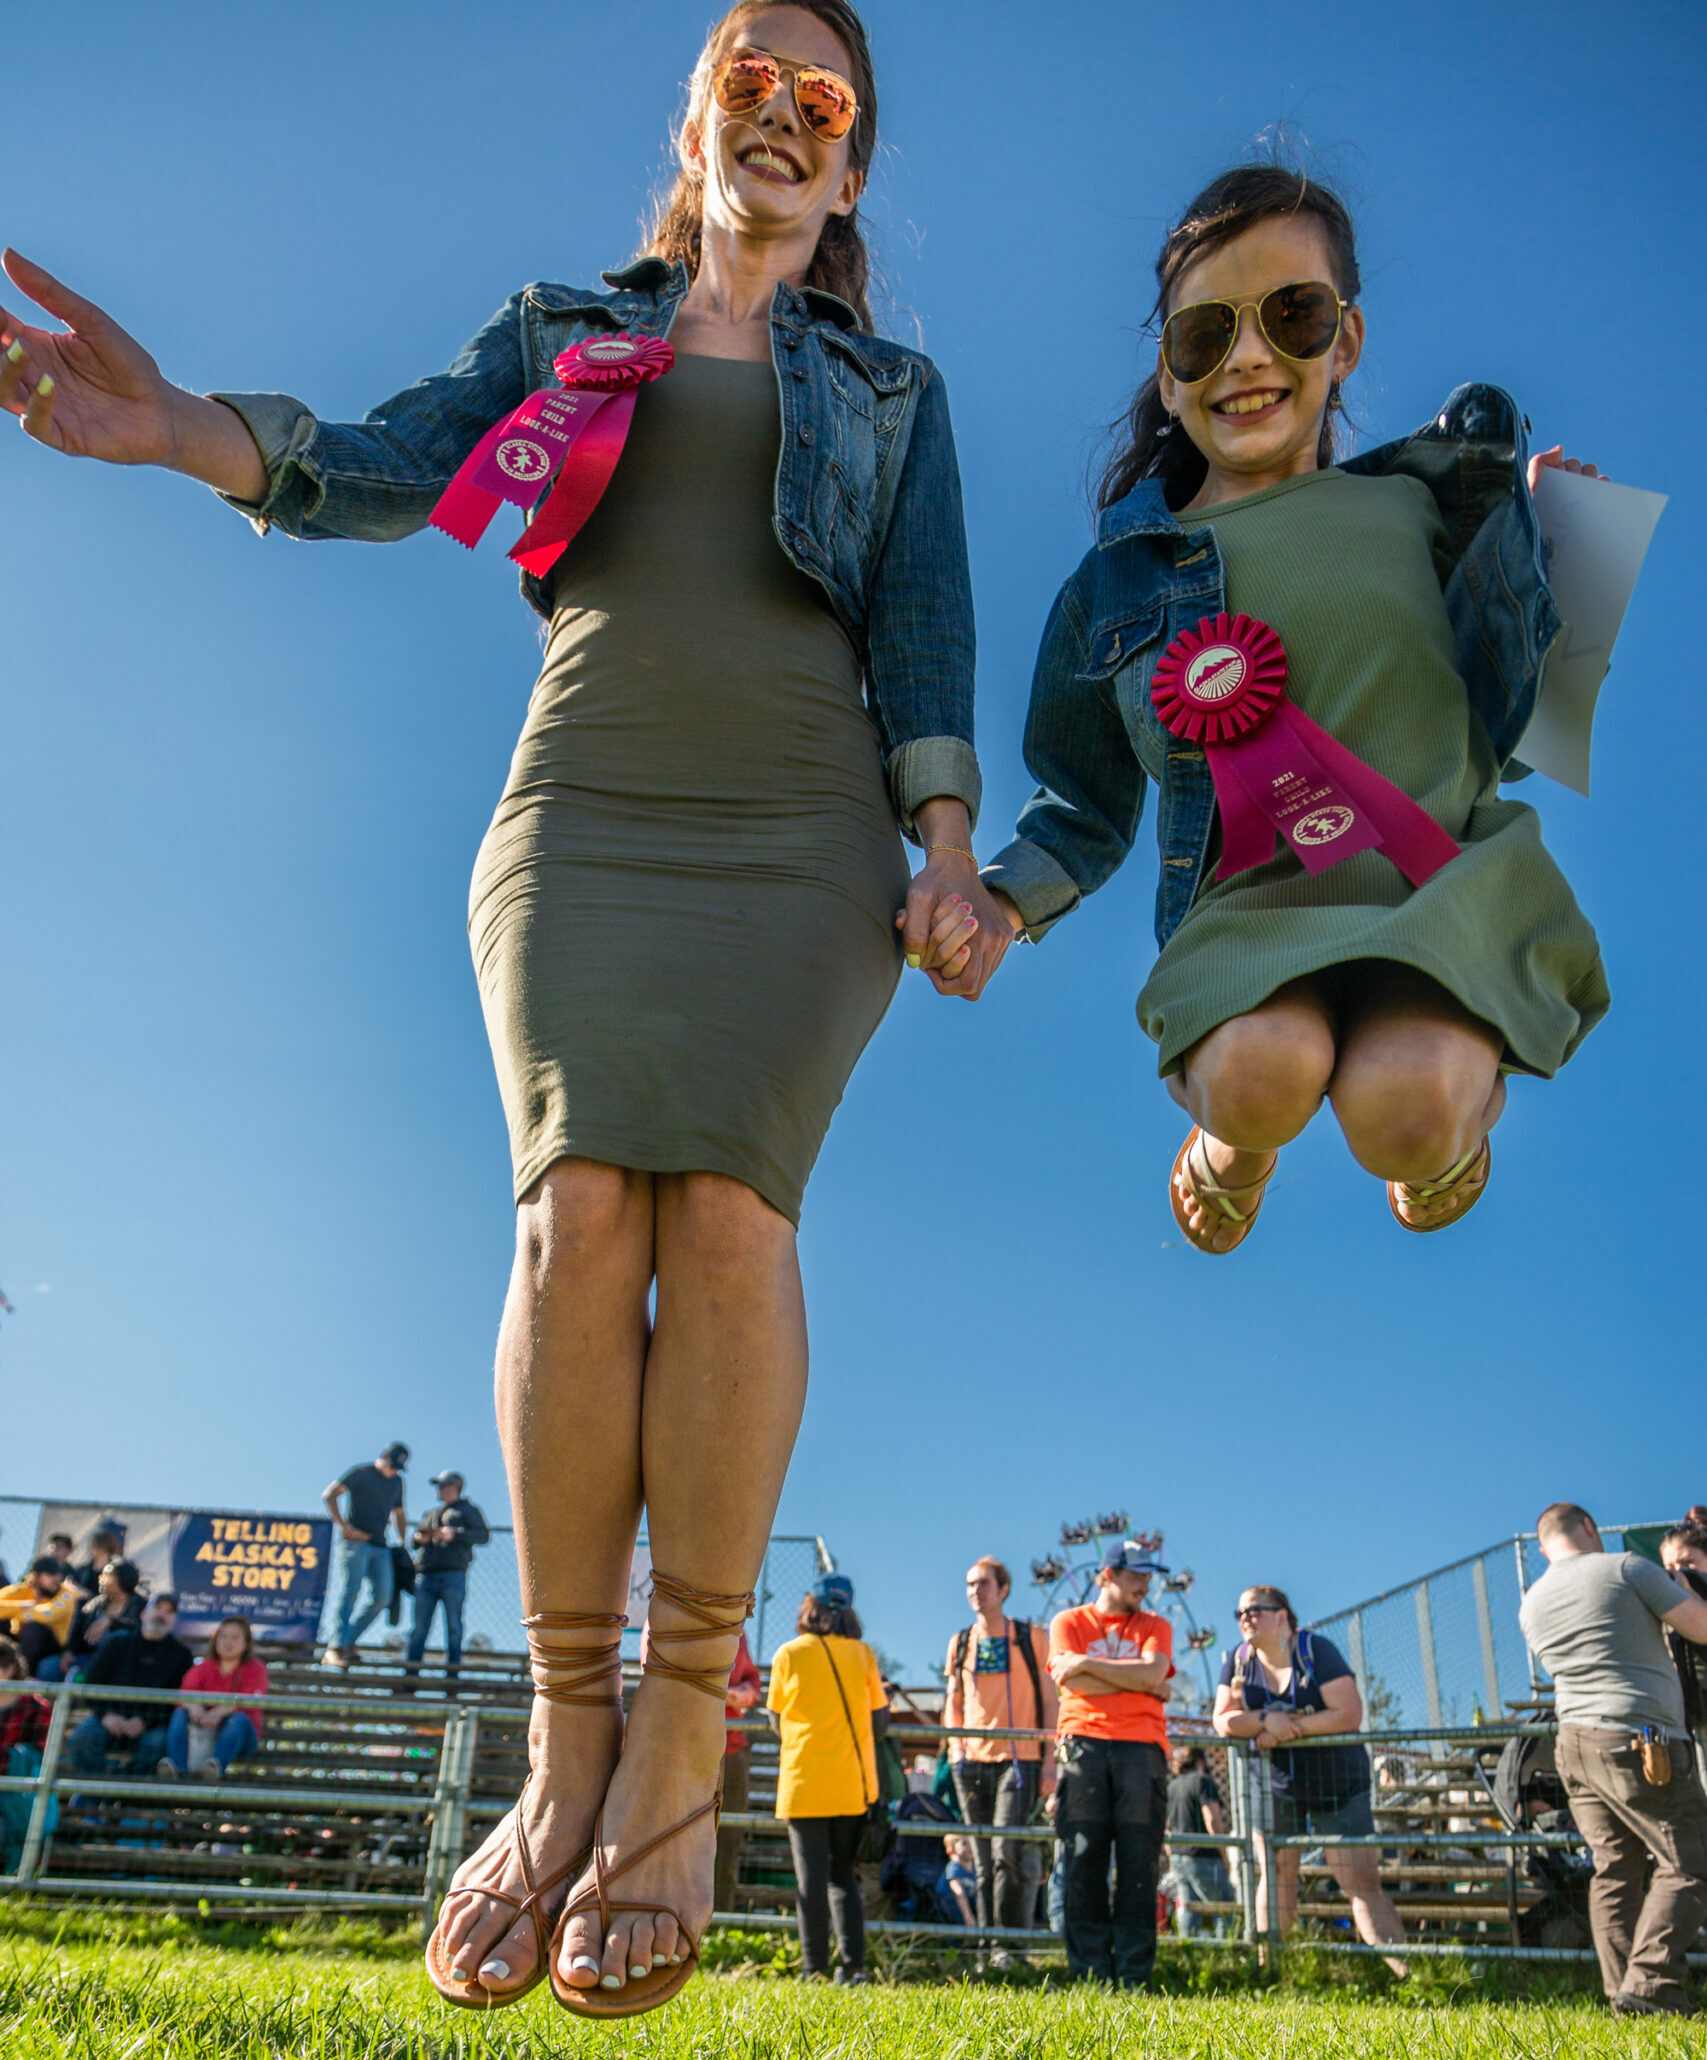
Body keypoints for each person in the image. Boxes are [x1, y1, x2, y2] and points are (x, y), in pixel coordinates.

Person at [1, 0, 978, 2019]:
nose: (783, 119)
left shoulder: (891, 386)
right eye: (751, 81)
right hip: (584, 807)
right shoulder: (561, 326)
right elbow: (378, 466)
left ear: (852, 166)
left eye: (826, 104)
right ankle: (561, 1747)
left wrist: (945, 847)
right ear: (697, 109)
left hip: (801, 837)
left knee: (726, 1216)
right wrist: (177, 423)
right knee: (572, 1214)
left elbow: (925, 625)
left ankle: (685, 1738)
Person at [944, 162, 1608, 1254]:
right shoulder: (1117, 586)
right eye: (1206, 335)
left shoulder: (1421, 512)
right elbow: (1081, 804)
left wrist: (1547, 560)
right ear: (1168, 374)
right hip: (1248, 912)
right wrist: (999, 903)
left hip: (1438, 887)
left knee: (1407, 1109)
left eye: (1291, 316)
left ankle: (1457, 1126)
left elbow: (1518, 726)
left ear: (1344, 342)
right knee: (1261, 1073)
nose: (1248, 357)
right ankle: (1232, 1148)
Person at [1518, 1502, 1707, 2016]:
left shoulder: (1531, 1603)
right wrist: (1687, 1591)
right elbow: (1700, 1629)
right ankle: (1650, 1985)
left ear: (1542, 1548)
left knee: (1614, 1868)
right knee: (1690, 1861)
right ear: (1590, 1529)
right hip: (1640, 1740)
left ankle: (1621, 1990)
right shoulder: (1625, 1568)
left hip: (1573, 1745)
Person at [1212, 1583, 1405, 1972]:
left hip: (1337, 1783)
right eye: (1239, 1614)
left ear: (1282, 1615)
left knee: (1360, 1881)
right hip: (1276, 1785)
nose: (1244, 1619)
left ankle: (1408, 1975)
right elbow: (1223, 1720)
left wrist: (1288, 1727)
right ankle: (1272, 1974)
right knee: (1277, 1872)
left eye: (1254, 1611)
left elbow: (1348, 1713)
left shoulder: (1316, 1651)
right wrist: (1267, 1720)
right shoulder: (1237, 1660)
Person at [1047, 1541, 1174, 1988]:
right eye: (1136, 1575)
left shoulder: (1158, 1624)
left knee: (1140, 1864)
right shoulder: (1067, 1621)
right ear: (1107, 1576)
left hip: (1143, 1749)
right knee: (1084, 1860)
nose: (1145, 1584)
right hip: (1083, 1746)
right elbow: (1071, 1686)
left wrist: (1086, 1664)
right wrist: (1136, 1681)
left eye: (1148, 1576)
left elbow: (1152, 1675)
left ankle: (1135, 1977)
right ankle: (1091, 1975)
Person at [767, 1575, 889, 1984]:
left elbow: (775, 1719)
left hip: (803, 1782)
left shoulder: (788, 1654)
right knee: (843, 1878)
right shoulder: (863, 1655)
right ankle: (853, 1968)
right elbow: (881, 1723)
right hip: (851, 1785)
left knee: (810, 1882)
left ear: (810, 1607)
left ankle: (812, 1969)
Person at [942, 1555, 1057, 1955]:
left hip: (1020, 1758)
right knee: (981, 1856)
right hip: (971, 1760)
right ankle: (987, 1944)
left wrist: (1048, 1760)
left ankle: (1011, 1946)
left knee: (1005, 1849)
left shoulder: (1031, 1637)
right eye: (971, 1584)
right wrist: (956, 1747)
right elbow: (952, 1701)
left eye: (984, 1584)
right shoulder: (960, 1643)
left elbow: (1049, 1699)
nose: (977, 1591)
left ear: (1004, 1590)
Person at [68, 1593, 193, 1776]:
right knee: (82, 1738)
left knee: (158, 1745)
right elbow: (91, 1683)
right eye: (158, 1609)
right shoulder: (117, 1643)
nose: (161, 1615)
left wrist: (145, 1722)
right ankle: (95, 1794)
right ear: (143, 1614)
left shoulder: (181, 1655)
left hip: (153, 1726)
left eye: (169, 1612)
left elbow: (177, 1700)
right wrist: (106, 1715)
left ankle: (121, 1793)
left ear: (174, 1620)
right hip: (107, 1718)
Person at [321, 1443, 410, 1666]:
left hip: (380, 1545)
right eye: (392, 1465)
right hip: (354, 1542)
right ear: (383, 1456)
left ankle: (347, 1640)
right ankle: (335, 1647)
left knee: (382, 1597)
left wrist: (401, 1541)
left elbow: (398, 1513)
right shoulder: (362, 1473)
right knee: (351, 1590)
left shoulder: (397, 1482)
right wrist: (342, 1525)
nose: (394, 1471)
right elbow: (329, 1495)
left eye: (398, 1468)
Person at [405, 1470, 491, 1684]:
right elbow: (413, 1541)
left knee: (454, 1628)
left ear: (455, 1487)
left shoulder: (468, 1510)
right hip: (425, 1574)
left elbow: (483, 1535)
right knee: (418, 1629)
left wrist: (455, 1534)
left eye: (443, 1485)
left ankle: (452, 1680)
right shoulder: (431, 1513)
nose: (439, 1490)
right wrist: (419, 1538)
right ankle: (409, 1680)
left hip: (453, 1574)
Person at [162, 1615, 270, 1782]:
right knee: (180, 1713)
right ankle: (178, 1770)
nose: (228, 1642)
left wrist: (221, 1711)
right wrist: (194, 1706)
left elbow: (251, 1699)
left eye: (235, 1638)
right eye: (223, 1636)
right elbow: (185, 1692)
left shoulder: (256, 1668)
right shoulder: (205, 1666)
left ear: (246, 1643)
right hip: (204, 1733)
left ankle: (214, 1769)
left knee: (239, 1719)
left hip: (240, 1737)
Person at [717, 1630, 764, 1916]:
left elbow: (752, 1683)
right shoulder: (666, 1614)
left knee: (729, 1836)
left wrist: (742, 1695)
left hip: (731, 1747)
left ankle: (720, 1917)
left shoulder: (737, 1631)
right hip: (687, 1746)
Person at [1166, 1744, 1235, 1937]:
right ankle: (1229, 1952)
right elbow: (1212, 1818)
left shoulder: (1173, 1785)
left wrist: (1171, 1855)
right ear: (1201, 1761)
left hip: (1179, 1856)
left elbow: (1167, 1825)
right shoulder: (1203, 1781)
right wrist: (1224, 1854)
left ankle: (1187, 1951)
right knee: (1223, 1909)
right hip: (1204, 1855)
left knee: (1188, 1909)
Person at [42, 1557, 145, 1680]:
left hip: (124, 1664)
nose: (100, 1578)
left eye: (107, 1575)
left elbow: (140, 1632)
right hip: (90, 1657)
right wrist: (69, 1651)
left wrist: (111, 1622)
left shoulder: (140, 1605)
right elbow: (78, 1633)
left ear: (122, 1578)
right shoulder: (93, 1605)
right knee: (47, 1668)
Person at [1658, 1523, 1707, 1754]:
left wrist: (1689, 1594)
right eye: (1670, 1567)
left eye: (1688, 1563)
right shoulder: (1664, 1606)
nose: (1679, 1573)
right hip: (1688, 1720)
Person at [0, 1557, 77, 1676]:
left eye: (58, 1574)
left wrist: (15, 1612)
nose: (56, 1579)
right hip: (20, 1639)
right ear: (35, 1576)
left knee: (34, 1628)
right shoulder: (22, 1590)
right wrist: (21, 1606)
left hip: (54, 1646)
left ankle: (23, 1677)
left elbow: (48, 1615)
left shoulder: (66, 1591)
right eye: (50, 1575)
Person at [66, 1527, 123, 1602]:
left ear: (104, 1548)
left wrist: (87, 1595)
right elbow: (70, 1583)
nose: (91, 1548)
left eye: (94, 1545)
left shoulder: (117, 1572)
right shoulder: (82, 1570)